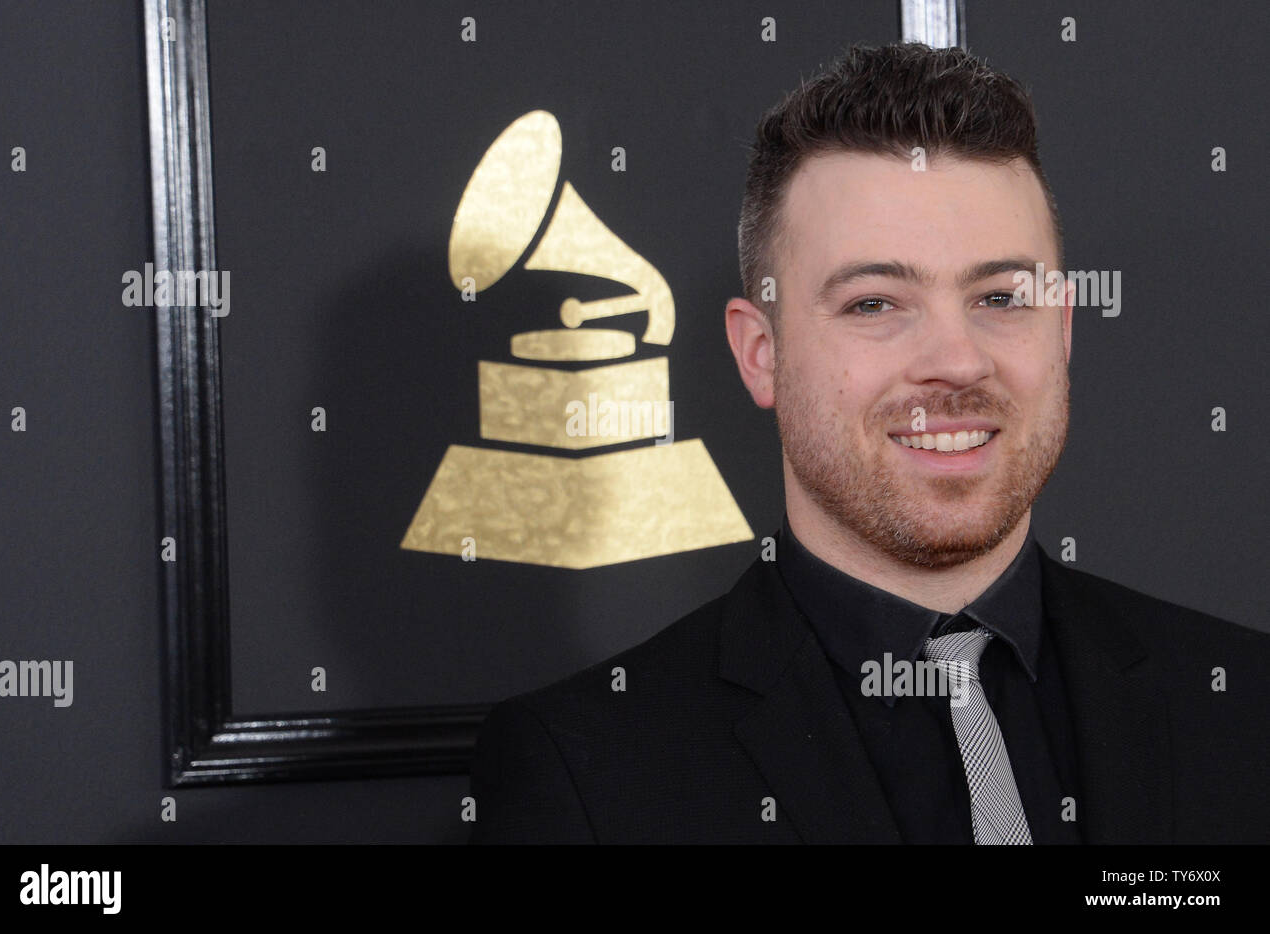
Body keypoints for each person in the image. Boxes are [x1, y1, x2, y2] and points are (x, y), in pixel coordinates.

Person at [466, 42, 1270, 844]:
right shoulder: (589, 773)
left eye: (1000, 296)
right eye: (875, 304)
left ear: (1062, 329)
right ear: (761, 354)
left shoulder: (1241, 705)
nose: (957, 361)